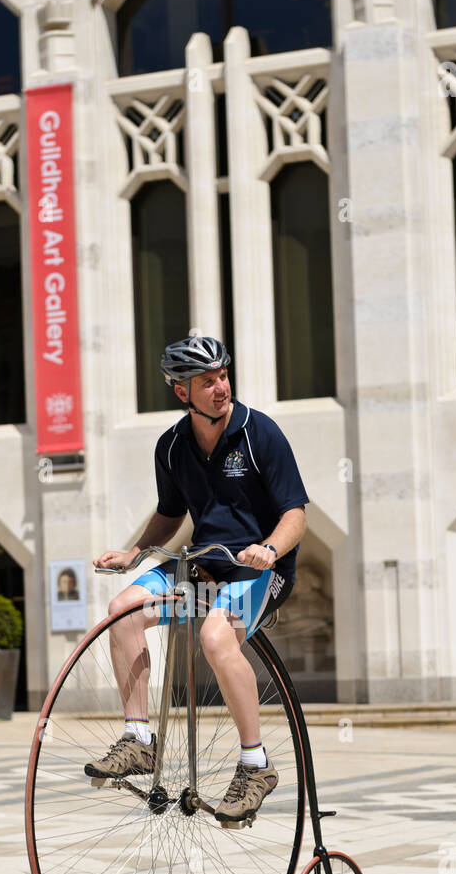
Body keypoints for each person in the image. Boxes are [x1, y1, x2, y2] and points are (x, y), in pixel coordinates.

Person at [88, 335, 308, 824]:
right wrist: (135, 553)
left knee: (215, 635)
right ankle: (140, 739)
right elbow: (171, 513)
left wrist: (269, 548)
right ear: (182, 392)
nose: (221, 387)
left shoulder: (259, 434)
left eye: (224, 376)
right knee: (121, 611)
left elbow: (296, 514)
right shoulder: (170, 446)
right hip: (202, 567)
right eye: (207, 381)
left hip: (261, 571)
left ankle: (255, 765)